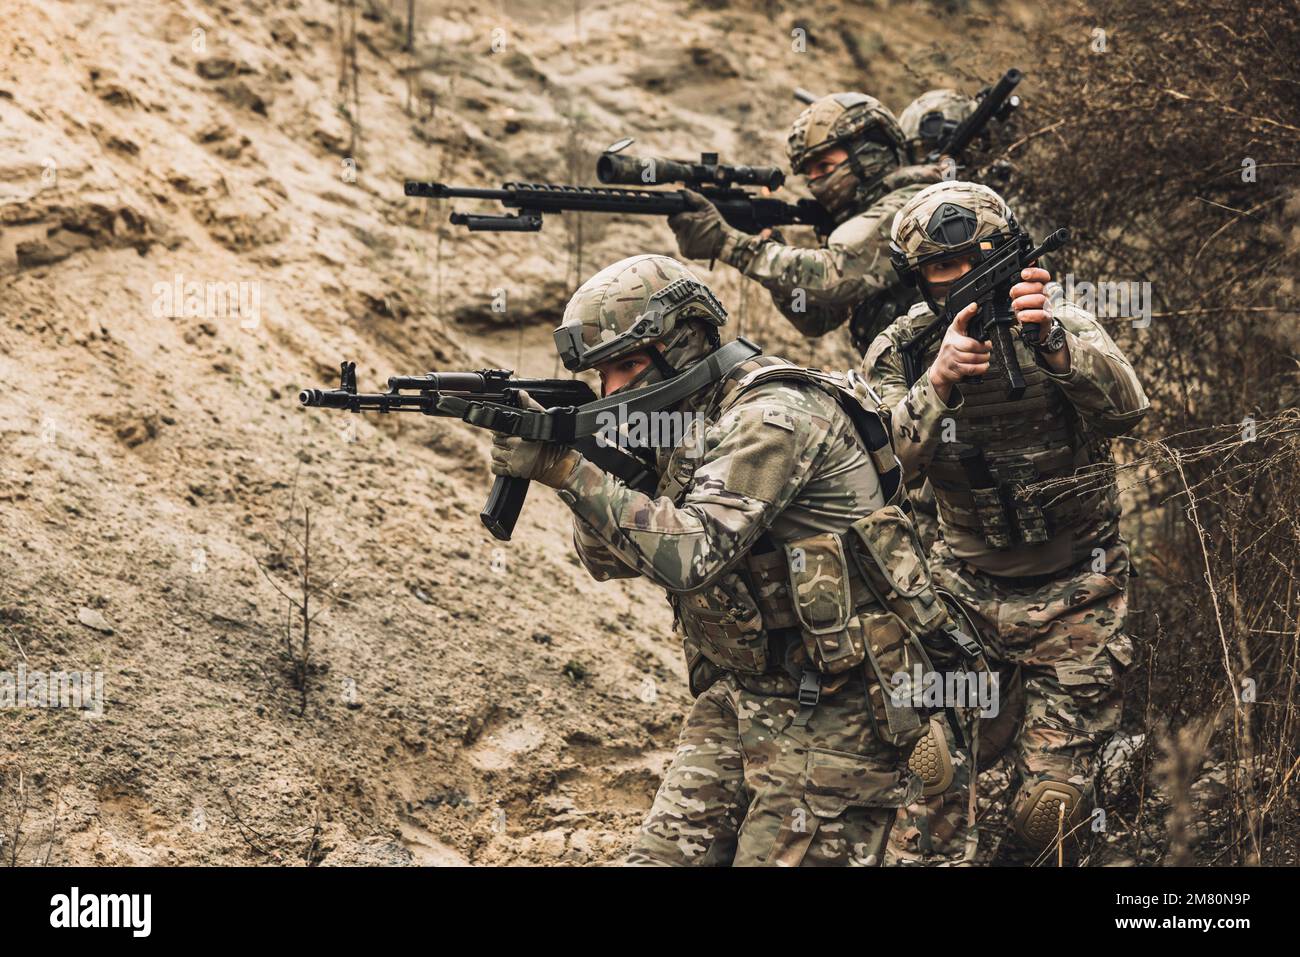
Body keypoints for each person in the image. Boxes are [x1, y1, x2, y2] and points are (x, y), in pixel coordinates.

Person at [490, 253, 960, 865]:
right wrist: (603, 466)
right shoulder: (685, 422)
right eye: (603, 375)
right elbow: (609, 561)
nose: (613, 392)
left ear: (683, 343)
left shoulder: (772, 416)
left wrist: (567, 472)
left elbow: (689, 556)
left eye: (627, 366)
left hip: (841, 706)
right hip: (746, 692)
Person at [863, 181, 1149, 864]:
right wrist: (935, 386)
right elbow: (877, 472)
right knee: (927, 771)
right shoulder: (903, 352)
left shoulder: (1062, 323)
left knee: (1050, 814)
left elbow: (1129, 412)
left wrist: (1052, 346)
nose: (959, 280)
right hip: (960, 595)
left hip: (1076, 596)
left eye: (973, 260)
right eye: (939, 268)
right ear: (918, 277)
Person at [667, 93, 941, 357]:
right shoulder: (861, 219)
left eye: (824, 166)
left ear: (870, 152)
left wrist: (730, 244)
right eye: (808, 173)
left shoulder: (912, 205)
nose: (816, 183)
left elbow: (832, 277)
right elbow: (816, 319)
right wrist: (768, 248)